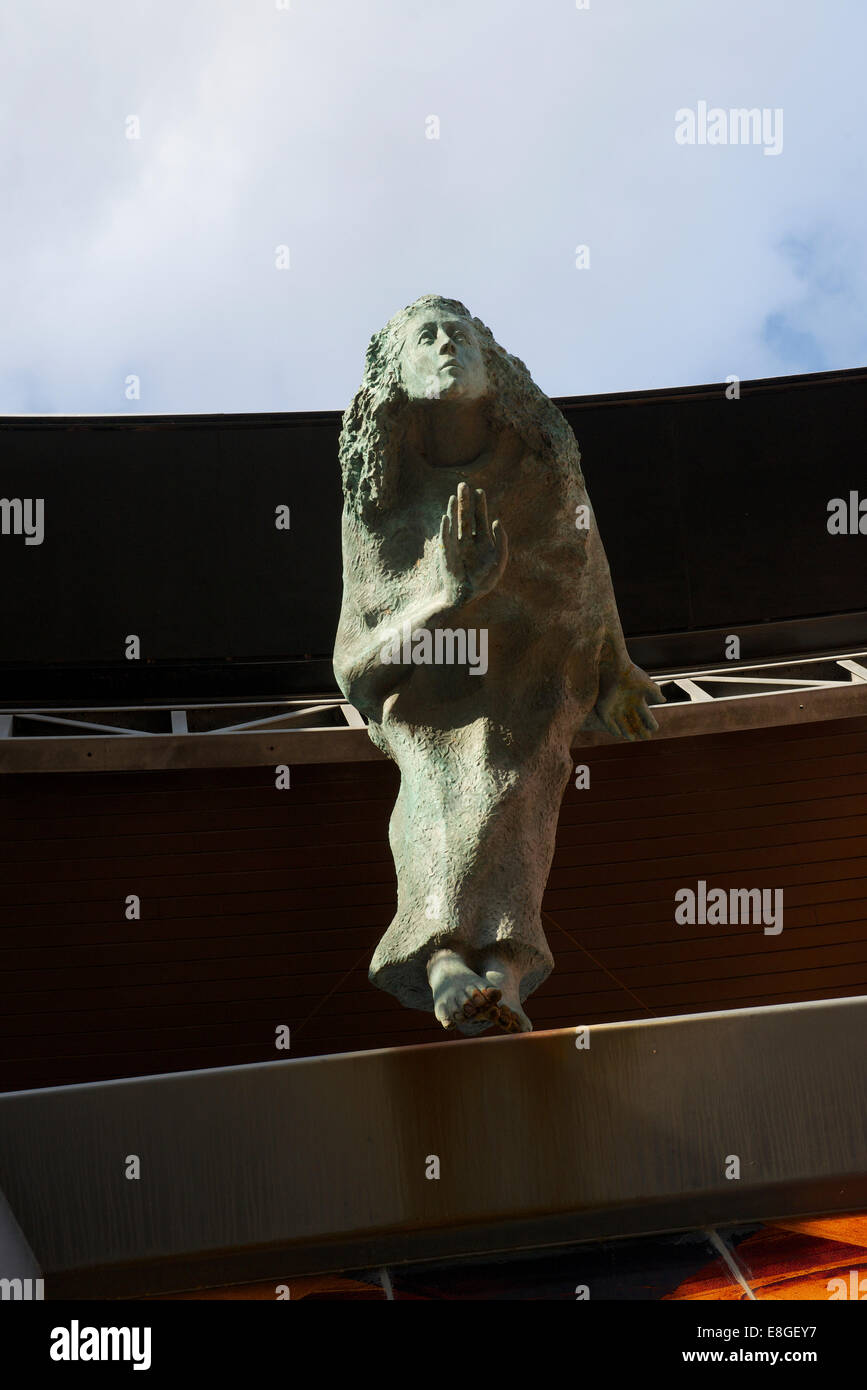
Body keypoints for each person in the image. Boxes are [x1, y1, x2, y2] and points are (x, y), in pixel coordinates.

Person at [334, 295, 663, 1034]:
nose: (447, 347)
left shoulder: (542, 462)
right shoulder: (379, 497)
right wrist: (447, 597)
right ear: (394, 372)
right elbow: (357, 666)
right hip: (428, 677)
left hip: (538, 661)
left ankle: (501, 970)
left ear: (494, 362)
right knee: (442, 758)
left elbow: (584, 568)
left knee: (524, 757)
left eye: (462, 336)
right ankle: (442, 955)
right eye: (425, 338)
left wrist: (615, 666)